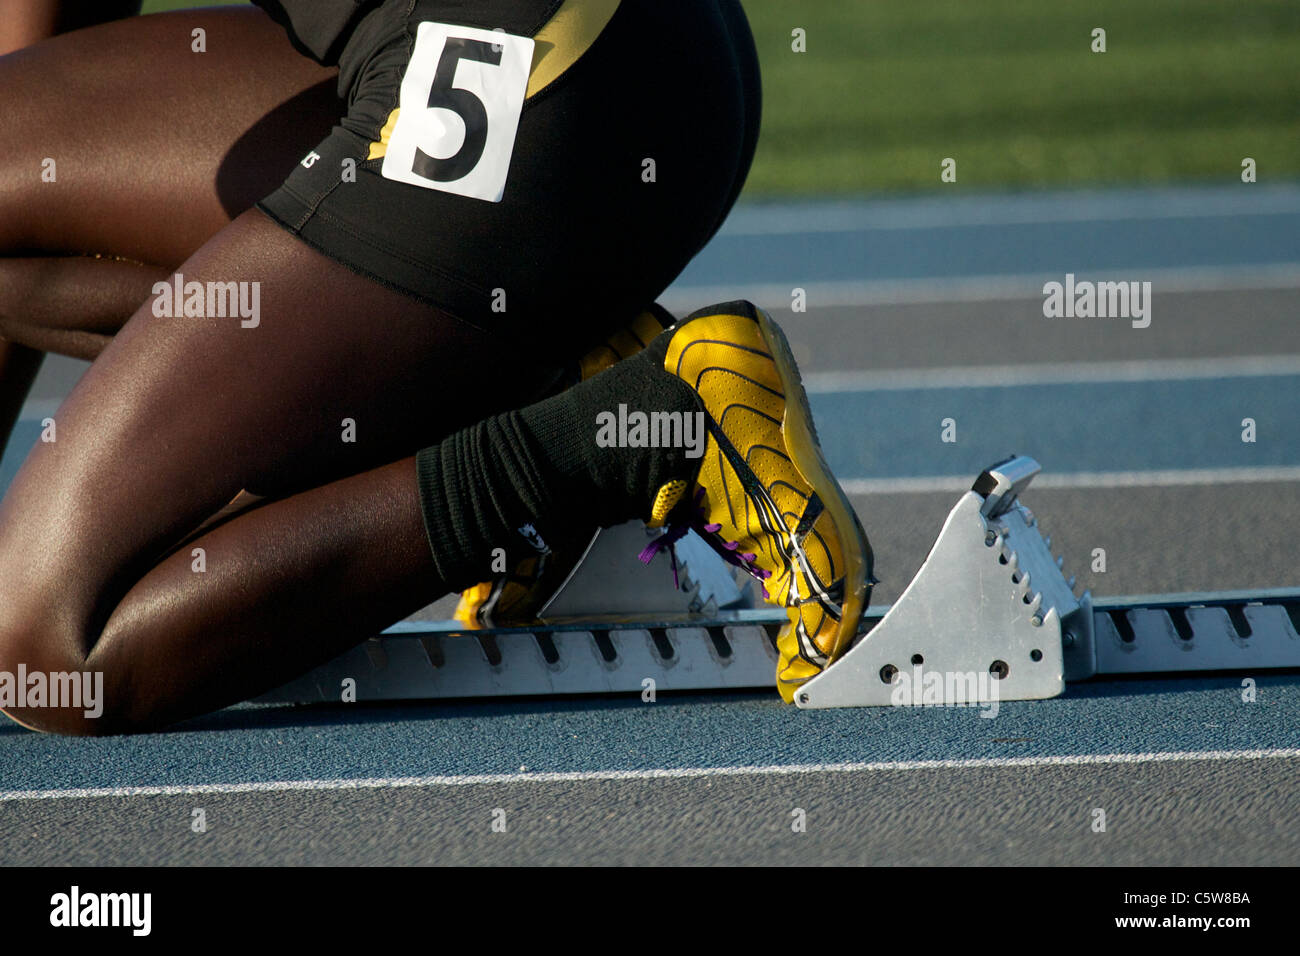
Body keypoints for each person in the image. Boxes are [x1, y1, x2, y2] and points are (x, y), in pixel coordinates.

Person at [0, 0, 873, 735]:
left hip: (534, 76)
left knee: (49, 645)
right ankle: (536, 372)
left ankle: (640, 430)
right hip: (619, 53)